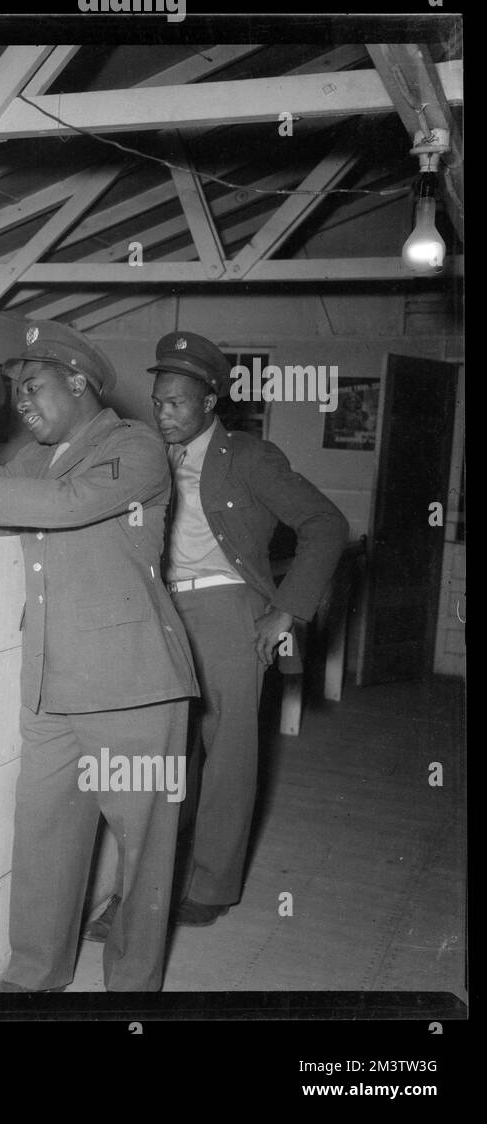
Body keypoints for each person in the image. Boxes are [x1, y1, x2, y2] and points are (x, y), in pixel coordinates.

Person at [0, 322, 197, 992]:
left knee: (144, 854)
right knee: (44, 842)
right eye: (17, 391)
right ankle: (34, 975)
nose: (21, 403)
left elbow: (69, 504)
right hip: (51, 685)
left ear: (79, 383)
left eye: (32, 388)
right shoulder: (38, 458)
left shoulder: (136, 445)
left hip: (133, 688)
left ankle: (132, 987)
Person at [148, 330, 348, 927]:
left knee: (227, 754)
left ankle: (210, 887)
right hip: (161, 612)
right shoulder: (148, 456)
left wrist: (288, 608)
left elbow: (326, 523)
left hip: (226, 610)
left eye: (176, 403)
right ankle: (146, 886)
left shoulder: (250, 458)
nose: (163, 414)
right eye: (157, 401)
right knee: (159, 754)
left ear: (210, 401)